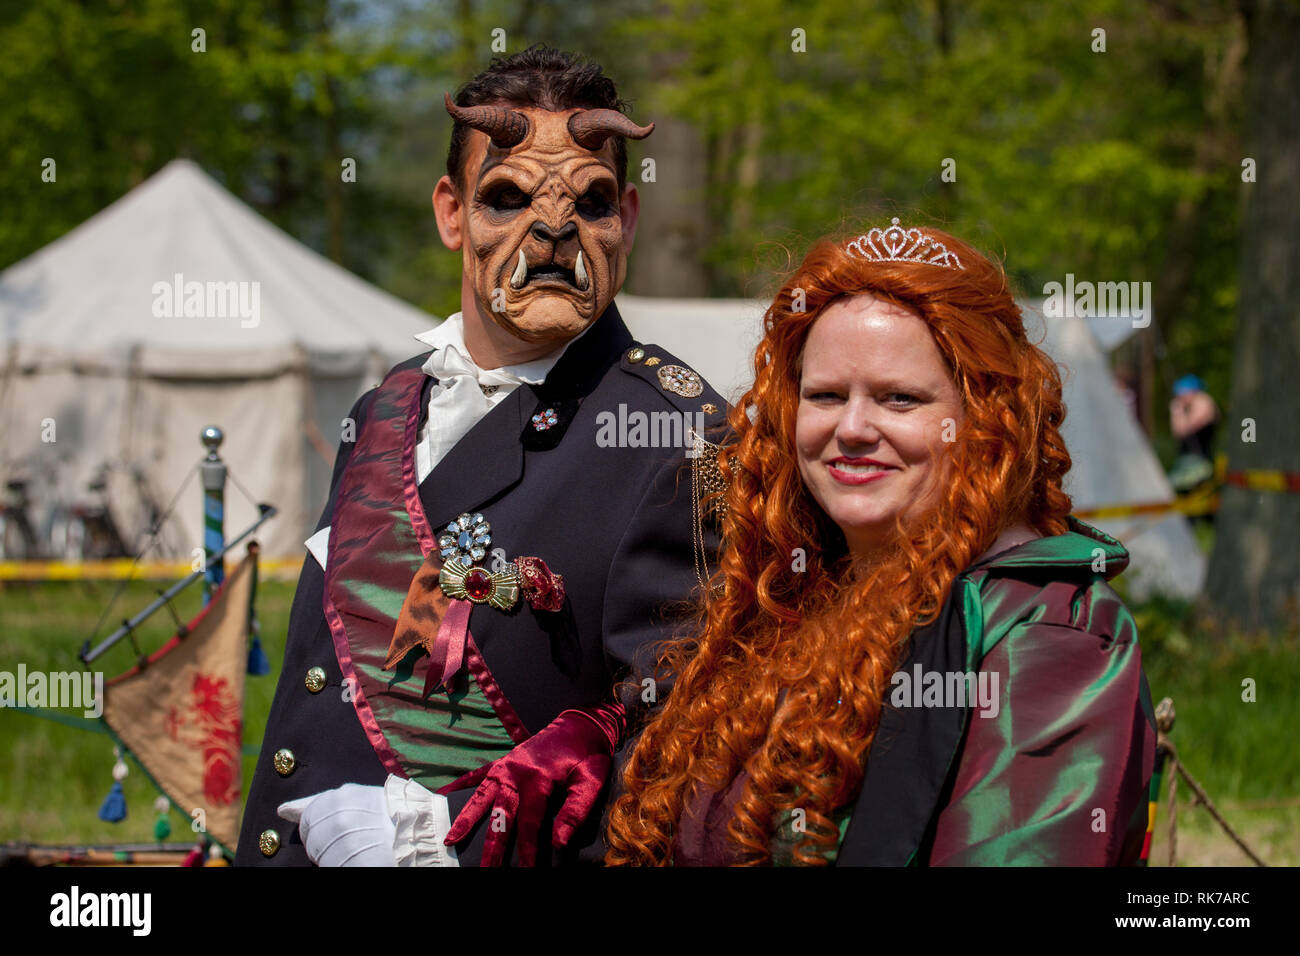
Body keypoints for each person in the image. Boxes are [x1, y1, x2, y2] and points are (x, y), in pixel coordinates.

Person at [236, 46, 727, 867]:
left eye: (592, 204)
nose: (553, 233)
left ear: (628, 221)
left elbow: (697, 759)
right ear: (451, 213)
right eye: (507, 198)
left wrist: (454, 840)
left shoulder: (685, 442)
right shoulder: (385, 407)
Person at [605, 220, 1157, 866]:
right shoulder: (781, 605)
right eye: (827, 396)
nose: (854, 428)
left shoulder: (1048, 634)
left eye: (900, 399)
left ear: (982, 419)